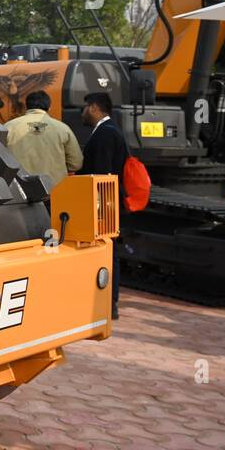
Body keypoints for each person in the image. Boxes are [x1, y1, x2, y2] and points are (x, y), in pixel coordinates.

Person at [81, 92, 130, 320]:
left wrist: (96, 206)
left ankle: (109, 302)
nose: (83, 113)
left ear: (93, 107)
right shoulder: (109, 131)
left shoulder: (104, 134)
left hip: (105, 203)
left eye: (85, 108)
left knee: (108, 250)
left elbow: (100, 173)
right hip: (108, 200)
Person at [5, 90, 83, 186]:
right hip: (54, 190)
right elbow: (76, 163)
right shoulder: (62, 128)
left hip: (18, 191)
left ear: (26, 106)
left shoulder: (8, 127)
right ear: (49, 107)